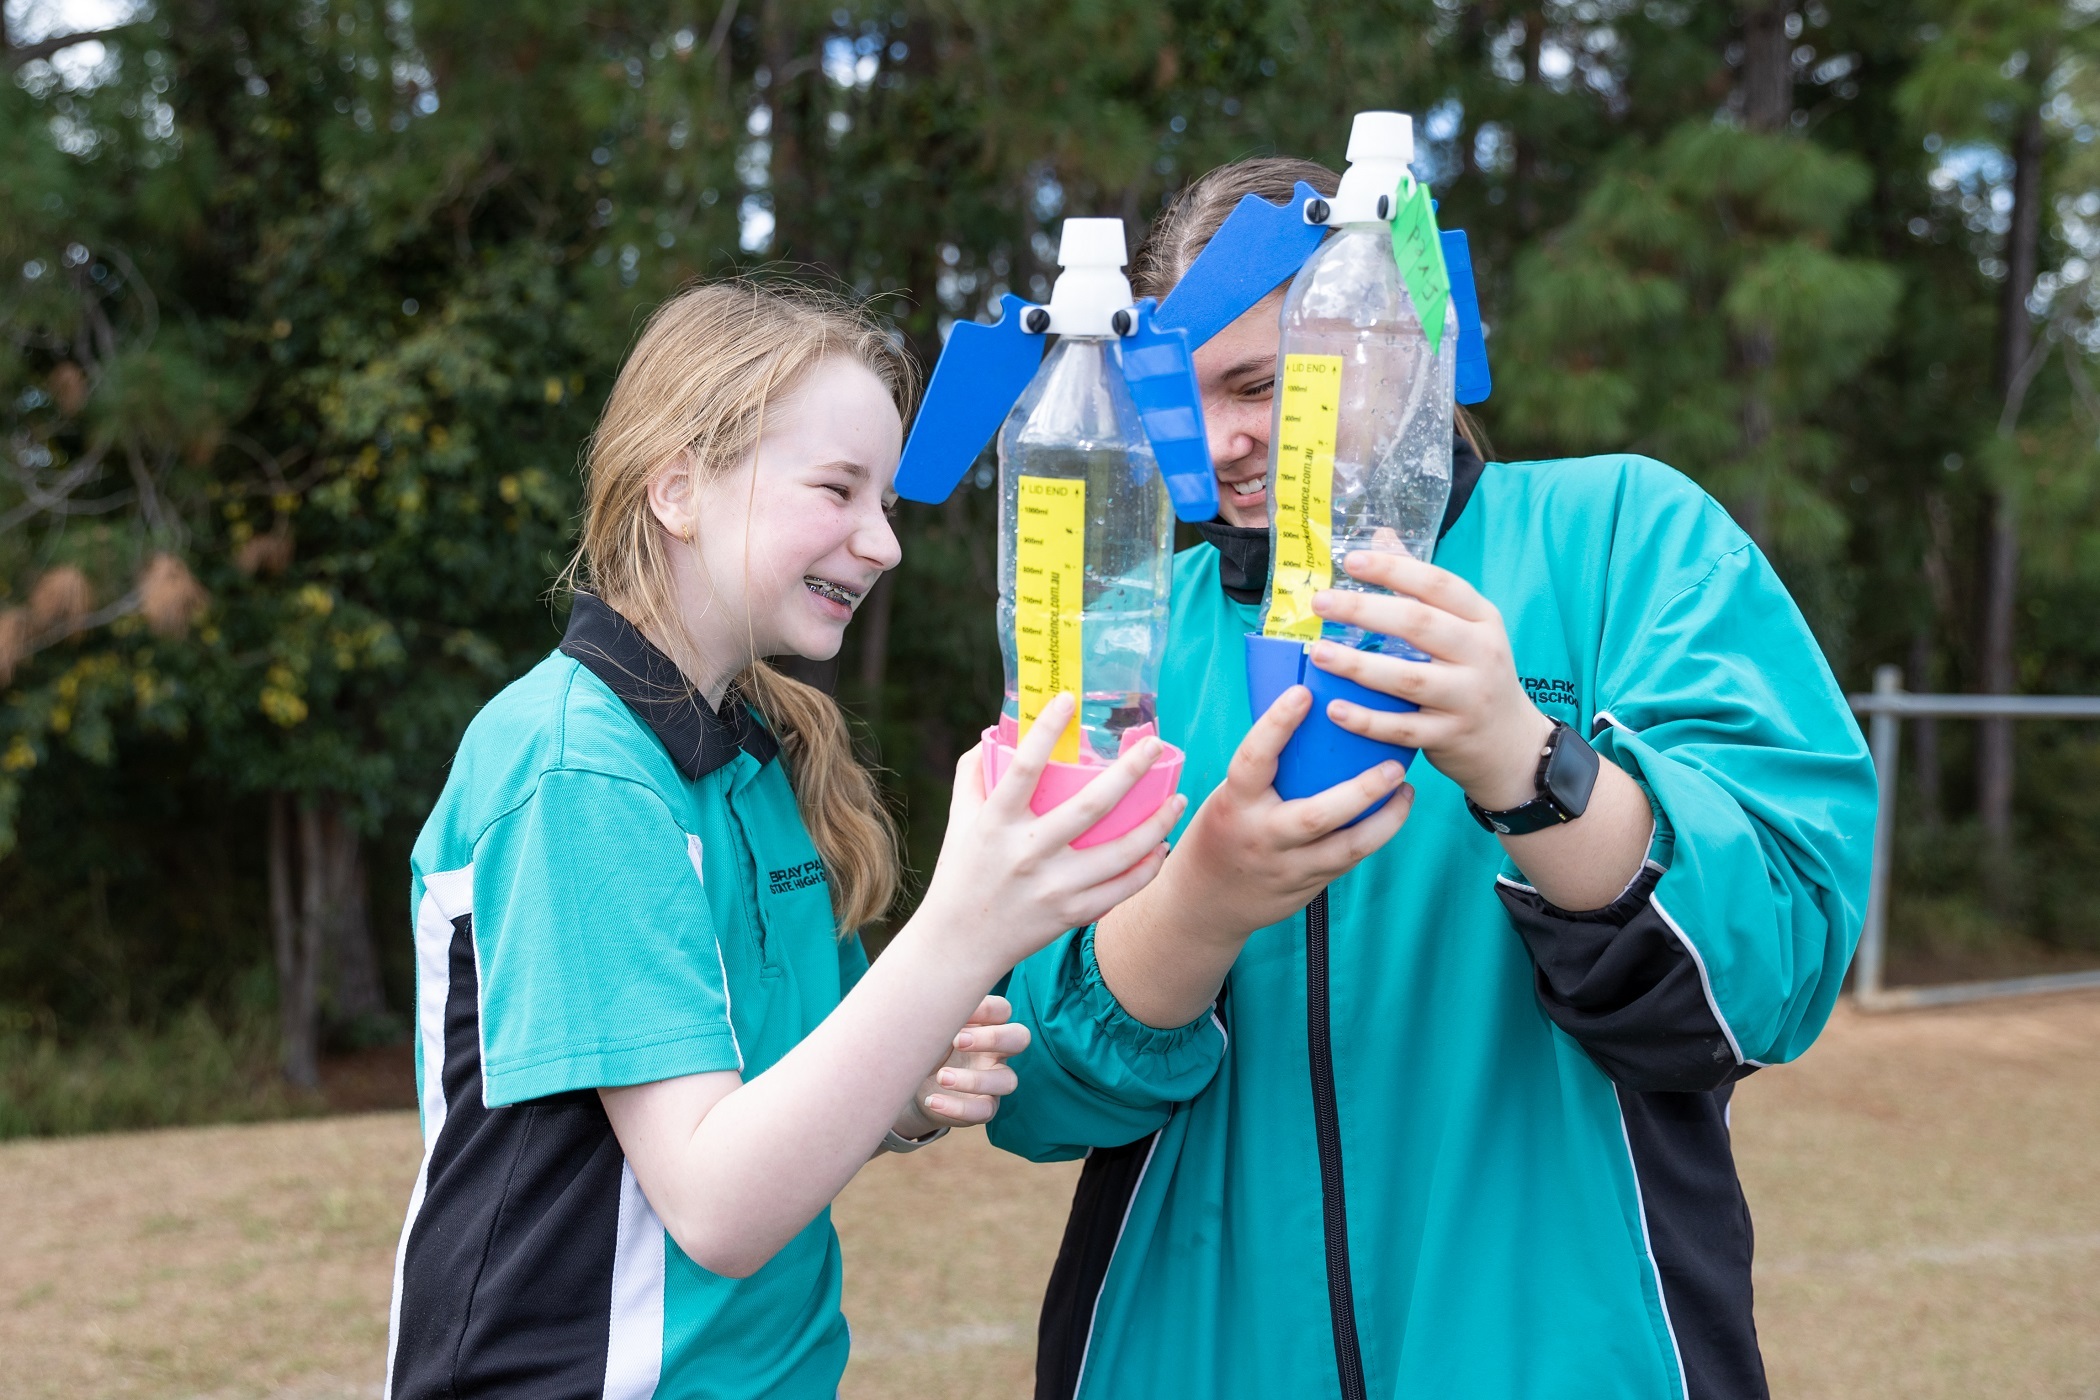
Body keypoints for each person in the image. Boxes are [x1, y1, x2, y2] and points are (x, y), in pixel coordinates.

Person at [987, 157, 1877, 1400]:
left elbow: (1770, 970)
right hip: (1182, 1350)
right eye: (1182, 396)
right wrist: (1203, 900)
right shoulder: (1128, 628)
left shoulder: (1622, 533)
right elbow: (1027, 1084)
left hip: (1563, 1353)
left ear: (1402, 340)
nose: (1230, 438)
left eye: (1260, 383)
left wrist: (1528, 760)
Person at [385, 282, 1187, 1399]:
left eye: (889, 498)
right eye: (838, 490)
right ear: (677, 488)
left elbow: (790, 1097)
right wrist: (964, 923)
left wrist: (908, 1086)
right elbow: (719, 1203)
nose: (886, 543)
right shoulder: (576, 768)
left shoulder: (758, 752)